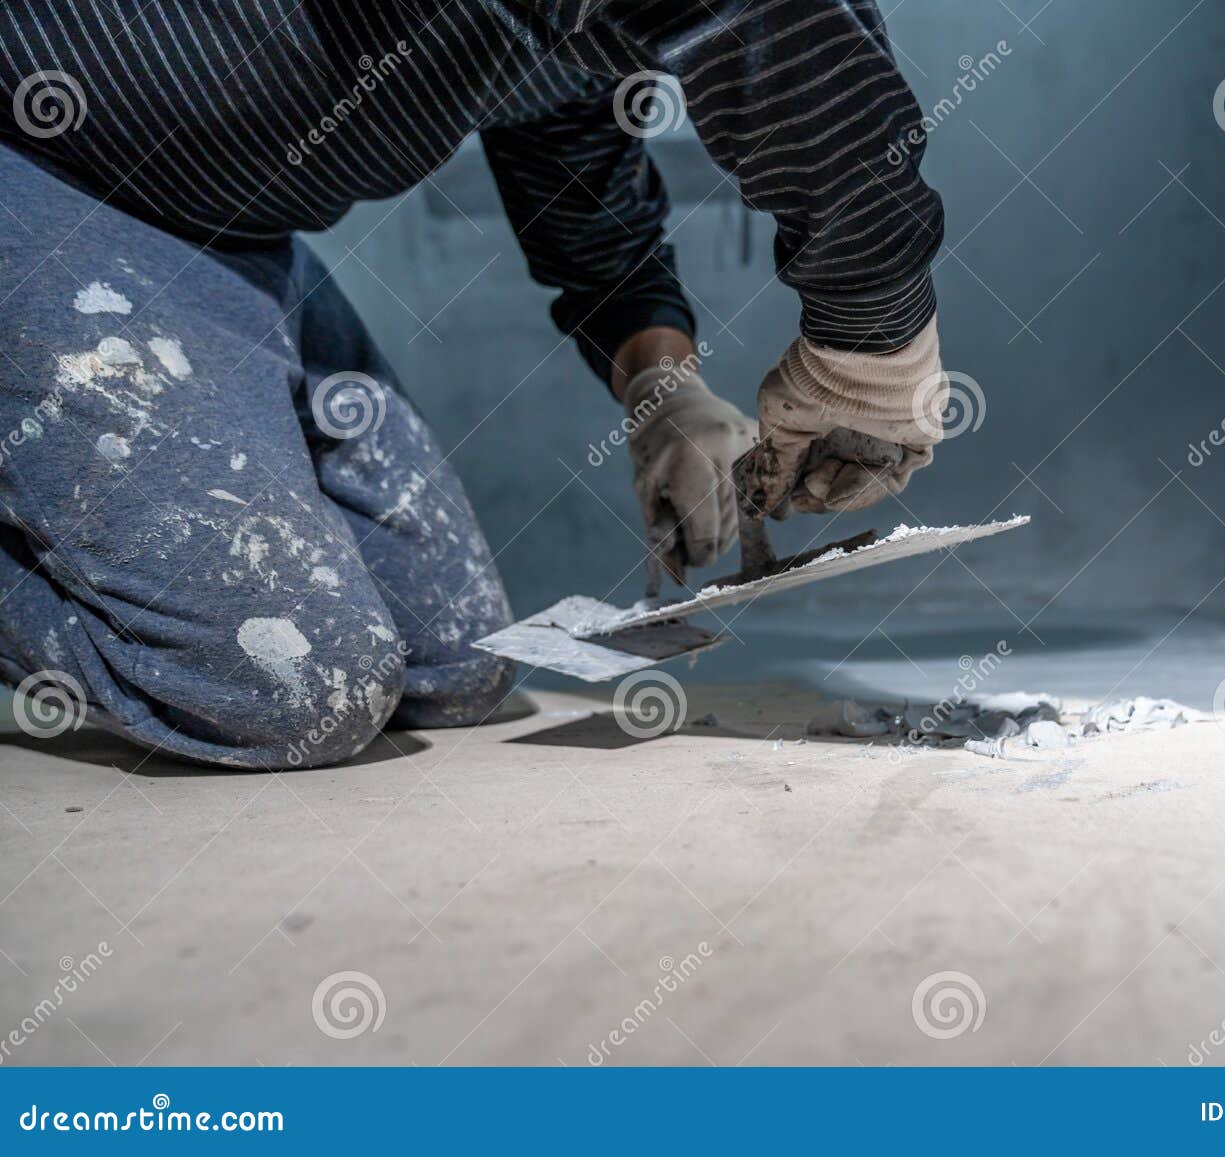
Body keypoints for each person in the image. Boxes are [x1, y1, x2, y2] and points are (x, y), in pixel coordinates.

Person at [0, 1, 947, 768]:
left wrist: (666, 397)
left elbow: (586, 202)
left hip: (239, 241)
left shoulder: (565, 29)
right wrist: (873, 336)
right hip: (48, 173)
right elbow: (772, 18)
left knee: (454, 667)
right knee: (293, 692)